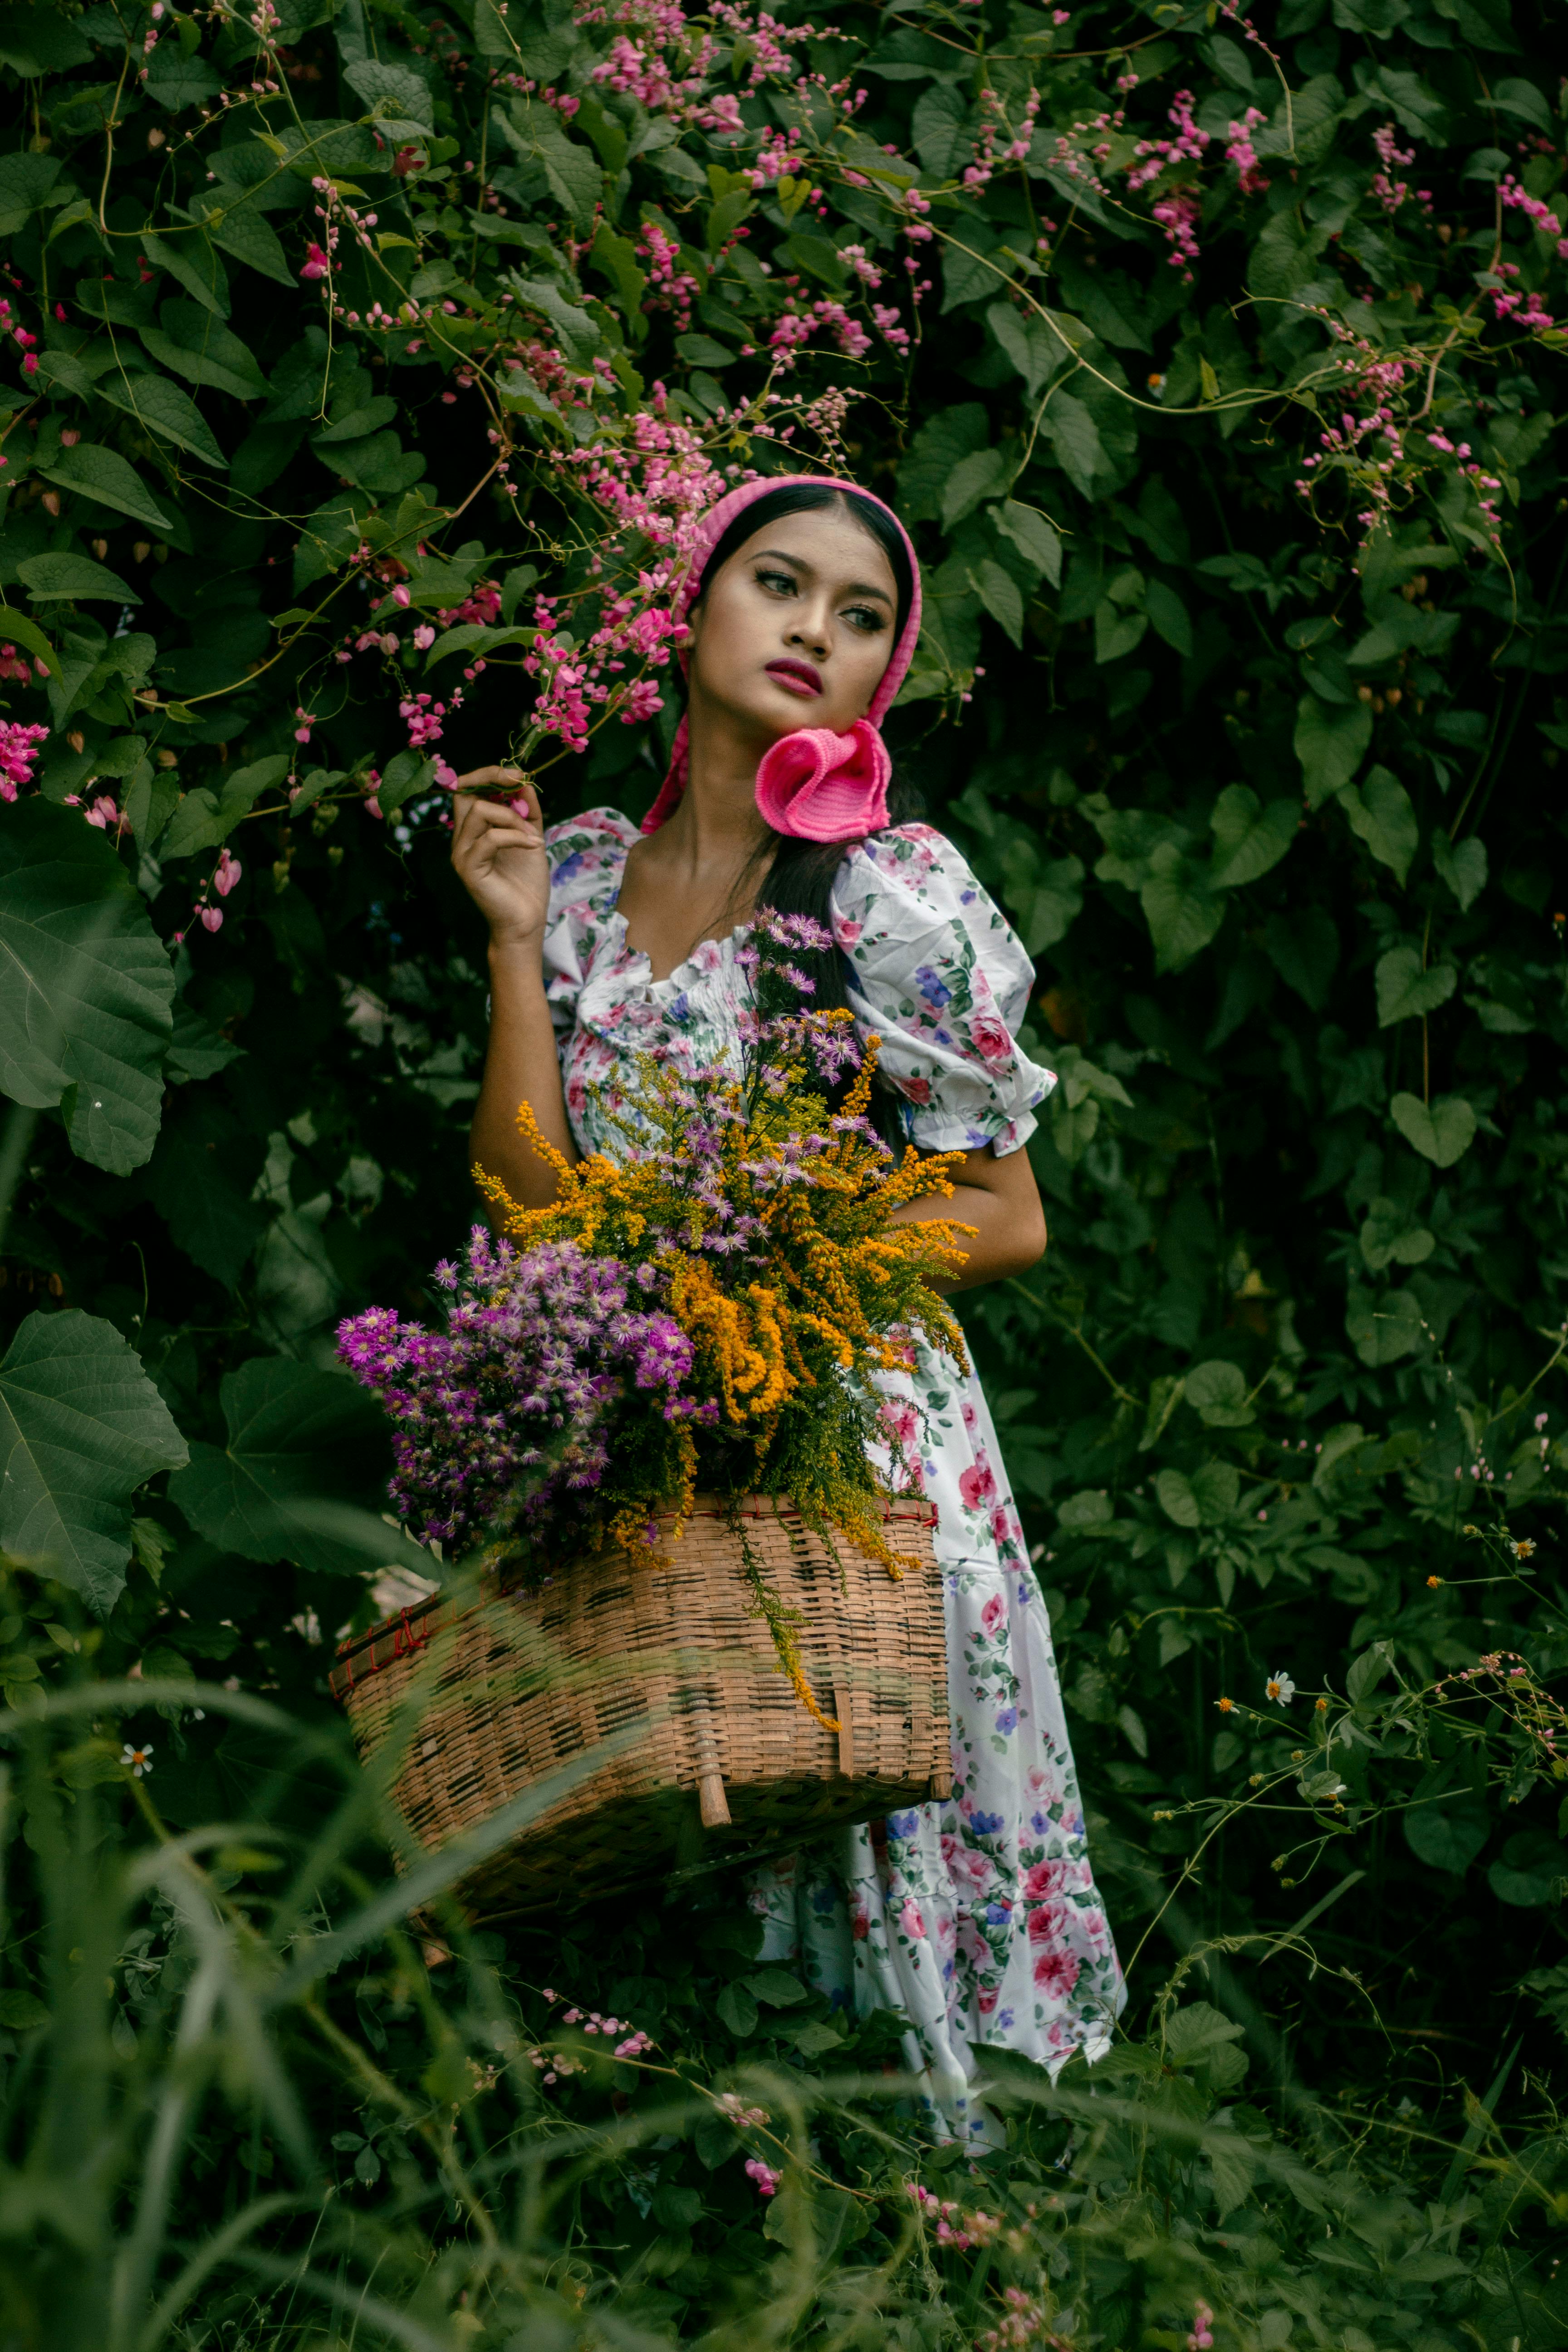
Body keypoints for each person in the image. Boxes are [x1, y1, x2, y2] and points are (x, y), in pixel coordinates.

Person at [450, 473, 1124, 2141]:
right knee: (700, 1828)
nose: (814, 629)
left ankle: (948, 2198)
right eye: (778, 583)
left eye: (862, 614)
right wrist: (513, 942)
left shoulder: (886, 898)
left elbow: (1005, 1215)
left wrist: (770, 1269)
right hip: (658, 1428)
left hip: (861, 1441)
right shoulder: (588, 881)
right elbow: (537, 1213)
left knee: (874, 1802)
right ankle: (713, 2189)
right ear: (690, 611)